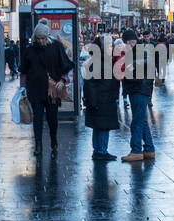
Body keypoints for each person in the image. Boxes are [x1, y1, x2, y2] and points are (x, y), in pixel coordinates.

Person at [21, 20, 73, 157]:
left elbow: (66, 65)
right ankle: (38, 144)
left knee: (52, 118)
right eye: (38, 38)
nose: (40, 41)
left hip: (52, 90)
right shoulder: (30, 49)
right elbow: (24, 71)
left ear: (48, 36)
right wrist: (22, 88)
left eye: (43, 38)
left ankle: (54, 143)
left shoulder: (56, 46)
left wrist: (62, 80)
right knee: (37, 117)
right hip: (35, 89)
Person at [82, 34, 121, 161]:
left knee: (99, 126)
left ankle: (98, 150)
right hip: (102, 99)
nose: (112, 48)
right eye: (110, 46)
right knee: (103, 126)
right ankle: (101, 151)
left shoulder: (101, 60)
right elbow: (91, 83)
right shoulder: (100, 61)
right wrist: (93, 101)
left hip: (103, 98)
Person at [120, 30, 156, 162]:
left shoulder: (141, 50)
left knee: (137, 122)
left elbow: (147, 61)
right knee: (142, 120)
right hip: (136, 89)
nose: (129, 43)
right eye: (127, 41)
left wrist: (134, 65)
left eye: (130, 40)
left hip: (140, 89)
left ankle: (136, 150)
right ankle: (149, 149)